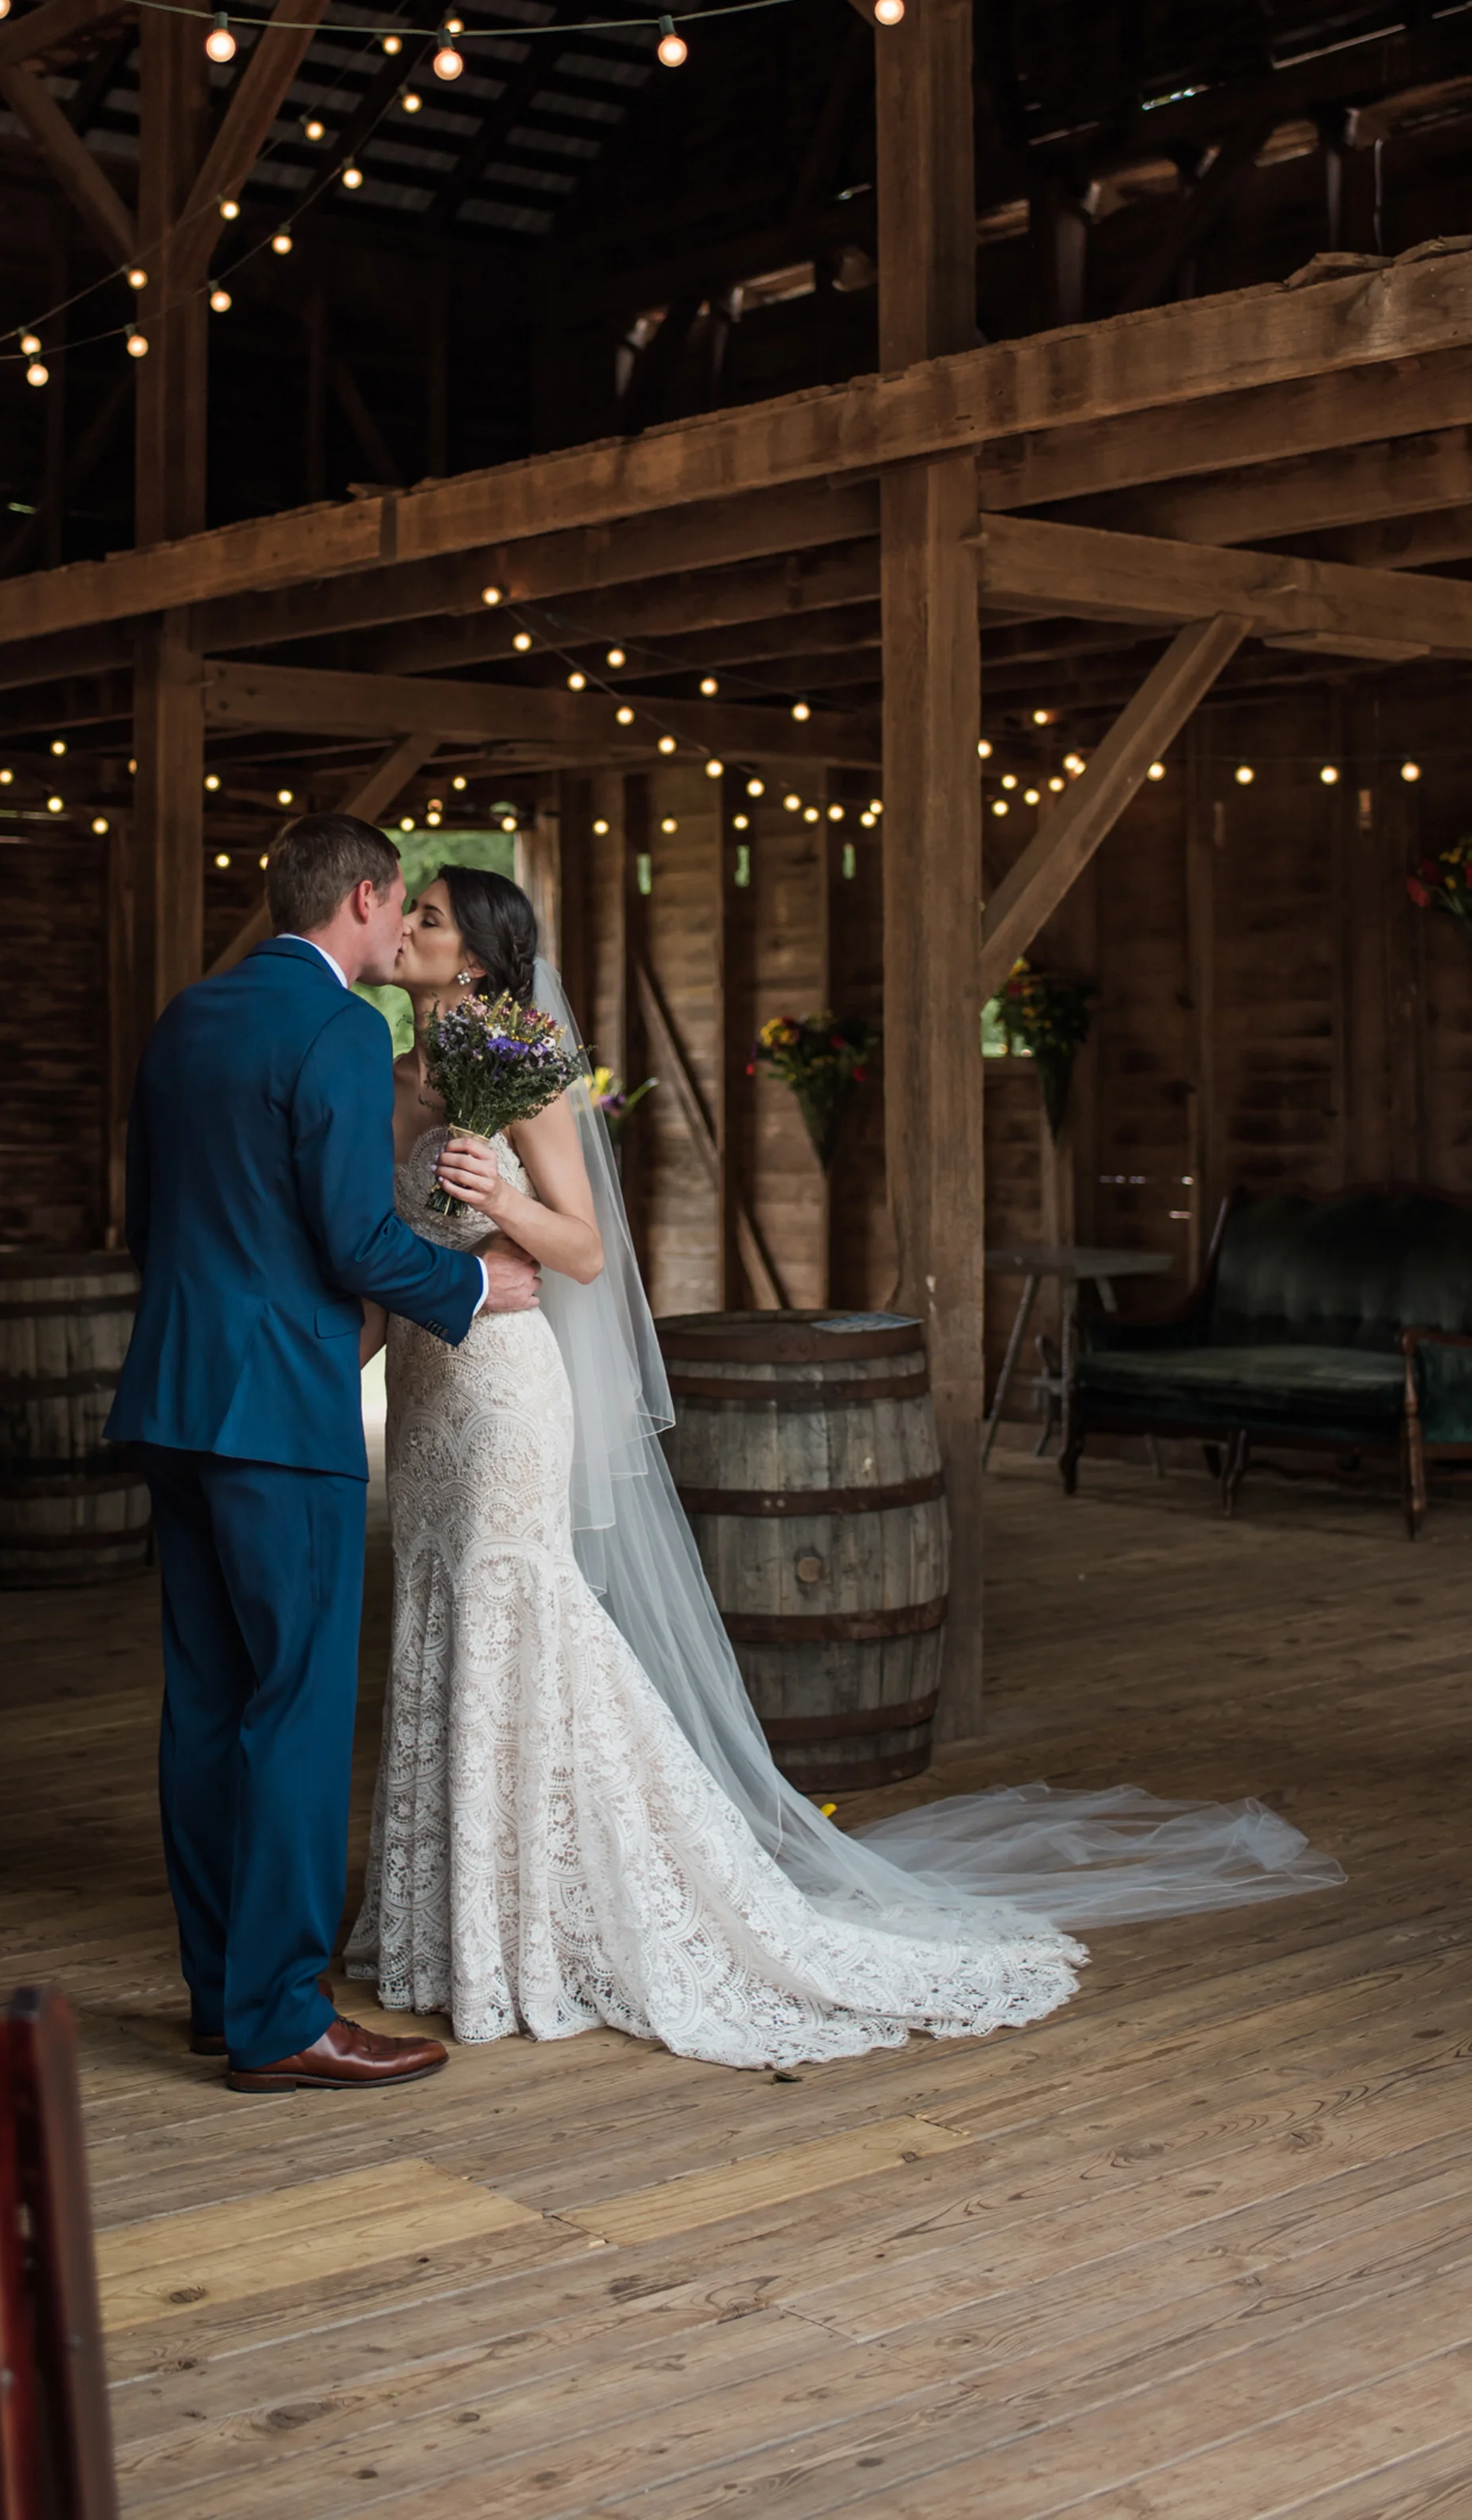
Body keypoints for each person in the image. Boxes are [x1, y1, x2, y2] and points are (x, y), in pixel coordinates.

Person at [346, 867, 1343, 2067]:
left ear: (484, 954)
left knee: (523, 1613)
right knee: (444, 1613)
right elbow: (380, 1258)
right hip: (425, 1396)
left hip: (507, 1394)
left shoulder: (531, 1070)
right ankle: (457, 1918)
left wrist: (503, 1192)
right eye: (409, 913)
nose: (407, 928)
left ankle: (567, 1914)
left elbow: (589, 1256)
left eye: (432, 918)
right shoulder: (398, 1080)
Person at [106, 816, 540, 2093]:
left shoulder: (189, 1015)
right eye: (396, 903)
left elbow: (149, 1214)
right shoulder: (347, 1032)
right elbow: (357, 1241)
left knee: (206, 1703)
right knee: (294, 1711)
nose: (400, 924)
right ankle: (286, 2015)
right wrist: (473, 1289)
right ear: (364, 897)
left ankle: (218, 1992)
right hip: (281, 1413)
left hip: (174, 1398)